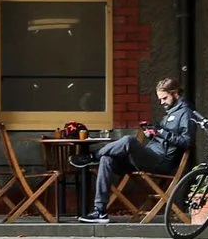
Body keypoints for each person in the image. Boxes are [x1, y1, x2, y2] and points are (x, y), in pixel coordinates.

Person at [81, 77, 200, 222]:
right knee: (107, 159)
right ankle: (100, 212)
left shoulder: (186, 113)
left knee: (129, 140)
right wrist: (152, 133)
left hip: (162, 162)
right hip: (150, 156)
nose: (162, 102)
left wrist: (161, 133)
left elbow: (187, 142)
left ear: (175, 94)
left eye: (164, 98)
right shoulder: (171, 111)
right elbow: (163, 138)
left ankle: (92, 156)